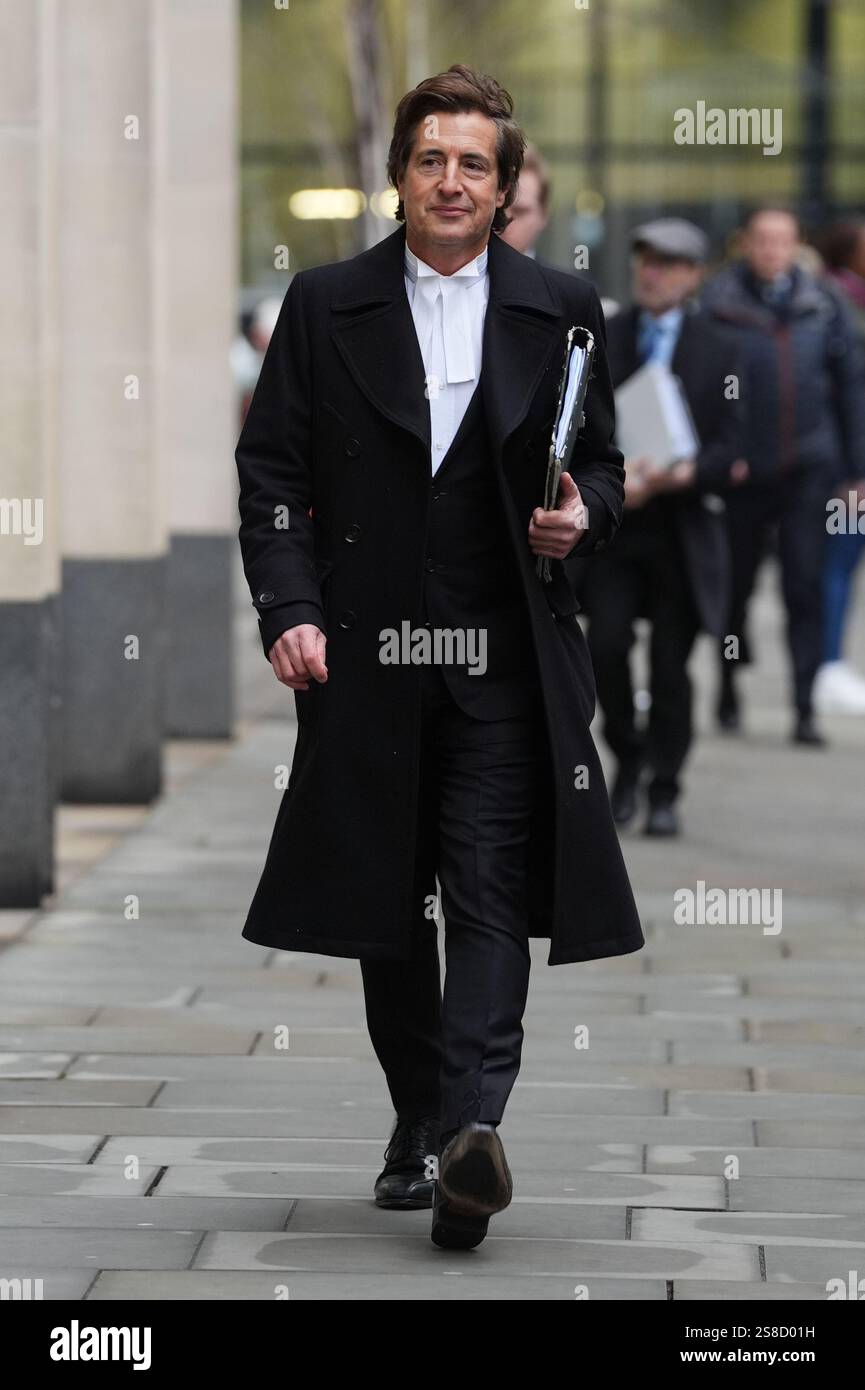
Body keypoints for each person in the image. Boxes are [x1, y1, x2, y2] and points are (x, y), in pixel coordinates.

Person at [234, 64, 643, 1252]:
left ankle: (473, 1129)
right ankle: (420, 1117)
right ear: (398, 176)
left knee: (486, 892)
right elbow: (273, 477)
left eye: (474, 163)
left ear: (506, 187)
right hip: (364, 660)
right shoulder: (325, 304)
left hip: (504, 655)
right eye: (431, 159)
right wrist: (288, 609)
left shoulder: (563, 305)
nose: (451, 180)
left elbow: (603, 467)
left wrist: (585, 517)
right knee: (382, 904)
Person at [577, 219, 744, 837]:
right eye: (646, 258)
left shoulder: (720, 349)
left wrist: (682, 474)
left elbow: (733, 453)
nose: (653, 272)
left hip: (682, 532)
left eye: (670, 264)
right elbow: (578, 429)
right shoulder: (604, 336)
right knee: (606, 648)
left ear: (693, 276)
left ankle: (666, 786)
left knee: (672, 669)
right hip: (618, 531)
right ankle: (627, 758)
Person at [701, 205, 865, 745]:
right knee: (736, 585)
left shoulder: (824, 304)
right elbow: (699, 384)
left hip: (808, 468)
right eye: (763, 239)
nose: (773, 250)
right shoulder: (720, 303)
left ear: (796, 246)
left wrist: (857, 470)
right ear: (747, 244)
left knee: (805, 585)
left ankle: (803, 706)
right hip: (743, 473)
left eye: (783, 240)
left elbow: (851, 386)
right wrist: (717, 456)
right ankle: (727, 685)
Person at [811, 220, 865, 714]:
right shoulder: (838, 306)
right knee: (839, 564)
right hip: (848, 472)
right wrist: (855, 473)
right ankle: (826, 664)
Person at [497, 142, 550, 257]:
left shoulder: (559, 275)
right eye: (497, 210)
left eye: (520, 211)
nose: (504, 223)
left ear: (543, 215)